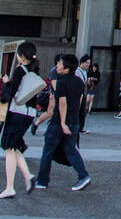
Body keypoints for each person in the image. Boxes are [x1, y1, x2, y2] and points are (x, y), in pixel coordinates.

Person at [35, 53, 91, 191]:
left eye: (60, 64)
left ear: (66, 68)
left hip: (59, 123)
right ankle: (83, 175)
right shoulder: (79, 82)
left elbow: (62, 104)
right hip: (73, 120)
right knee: (71, 149)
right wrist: (71, 120)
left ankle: (42, 181)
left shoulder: (61, 82)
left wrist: (62, 123)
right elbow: (78, 102)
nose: (57, 65)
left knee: (48, 151)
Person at [0, 42, 42, 199]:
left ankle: (9, 187)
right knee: (14, 146)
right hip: (29, 114)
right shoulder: (34, 71)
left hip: (17, 112)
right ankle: (28, 176)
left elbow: (9, 93)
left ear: (22, 56)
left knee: (9, 148)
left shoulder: (19, 71)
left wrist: (7, 81)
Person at [77, 54, 95, 133]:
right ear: (82, 62)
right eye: (87, 63)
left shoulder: (85, 72)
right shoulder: (77, 71)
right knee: (78, 110)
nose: (88, 65)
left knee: (82, 111)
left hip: (83, 92)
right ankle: (77, 127)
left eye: (89, 63)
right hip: (78, 93)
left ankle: (80, 127)